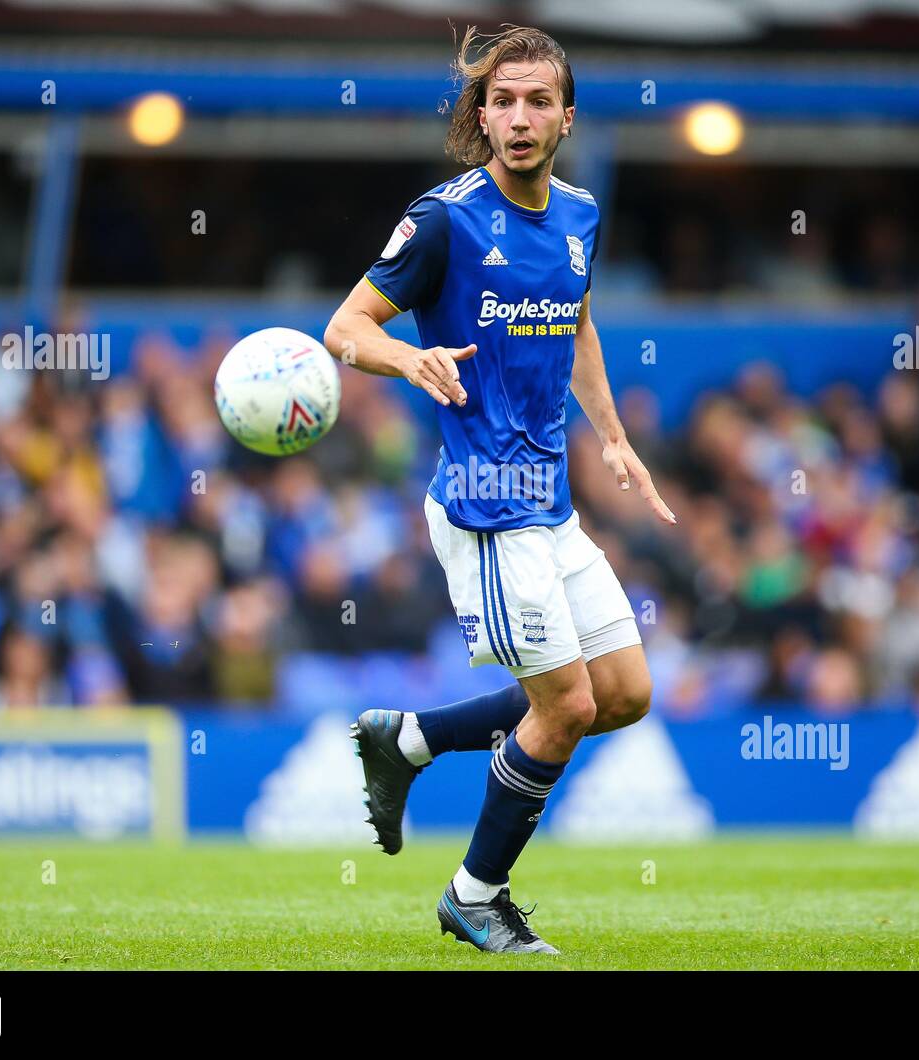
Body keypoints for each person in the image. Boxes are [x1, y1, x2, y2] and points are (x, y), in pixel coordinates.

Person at [323, 24, 675, 954]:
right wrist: (407, 357)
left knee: (625, 691)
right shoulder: (444, 220)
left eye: (537, 101)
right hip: (484, 506)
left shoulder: (579, 216)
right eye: (503, 101)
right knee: (565, 708)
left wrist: (613, 437)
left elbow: (580, 323)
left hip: (552, 503)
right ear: (481, 115)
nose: (519, 119)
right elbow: (343, 329)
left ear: (566, 116)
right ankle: (474, 894)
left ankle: (410, 742)